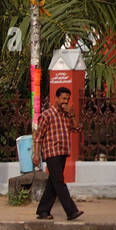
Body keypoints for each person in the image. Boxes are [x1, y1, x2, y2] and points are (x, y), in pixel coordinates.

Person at [34, 86, 85, 220]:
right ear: (56, 98)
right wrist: (36, 154)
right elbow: (38, 137)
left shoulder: (67, 114)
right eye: (63, 98)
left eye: (67, 99)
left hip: (63, 151)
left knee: (53, 182)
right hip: (51, 152)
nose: (65, 101)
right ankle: (71, 211)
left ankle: (43, 210)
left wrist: (72, 114)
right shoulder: (47, 115)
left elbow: (77, 128)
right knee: (59, 182)